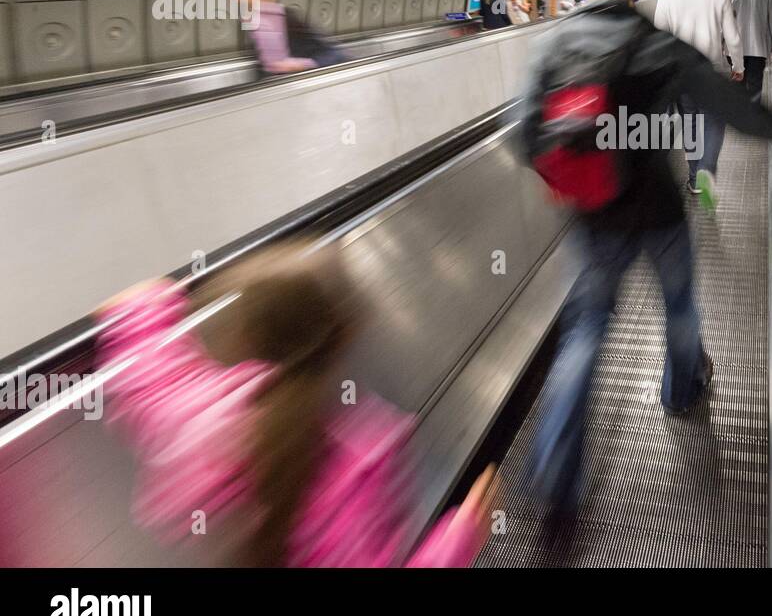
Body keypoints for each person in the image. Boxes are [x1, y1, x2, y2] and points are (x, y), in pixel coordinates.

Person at [518, 0, 772, 538]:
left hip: (594, 217)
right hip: (659, 207)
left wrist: (567, 180)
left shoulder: (554, 45)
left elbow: (529, 135)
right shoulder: (658, 46)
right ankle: (681, 390)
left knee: (585, 331)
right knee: (681, 304)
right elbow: (733, 108)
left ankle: (557, 486)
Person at [93, 242, 498, 568]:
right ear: (345, 336)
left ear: (241, 339)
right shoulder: (354, 462)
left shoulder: (200, 425)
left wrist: (142, 309)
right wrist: (455, 543)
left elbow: (154, 379)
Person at [651, 0, 744, 203]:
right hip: (713, 72)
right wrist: (737, 66)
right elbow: (733, 36)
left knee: (690, 124)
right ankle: (707, 172)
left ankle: (694, 178)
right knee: (714, 124)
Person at [242, 0, 346, 75]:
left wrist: (303, 65)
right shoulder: (252, 23)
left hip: (303, 81)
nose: (244, 0)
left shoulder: (289, 19)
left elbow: (331, 53)